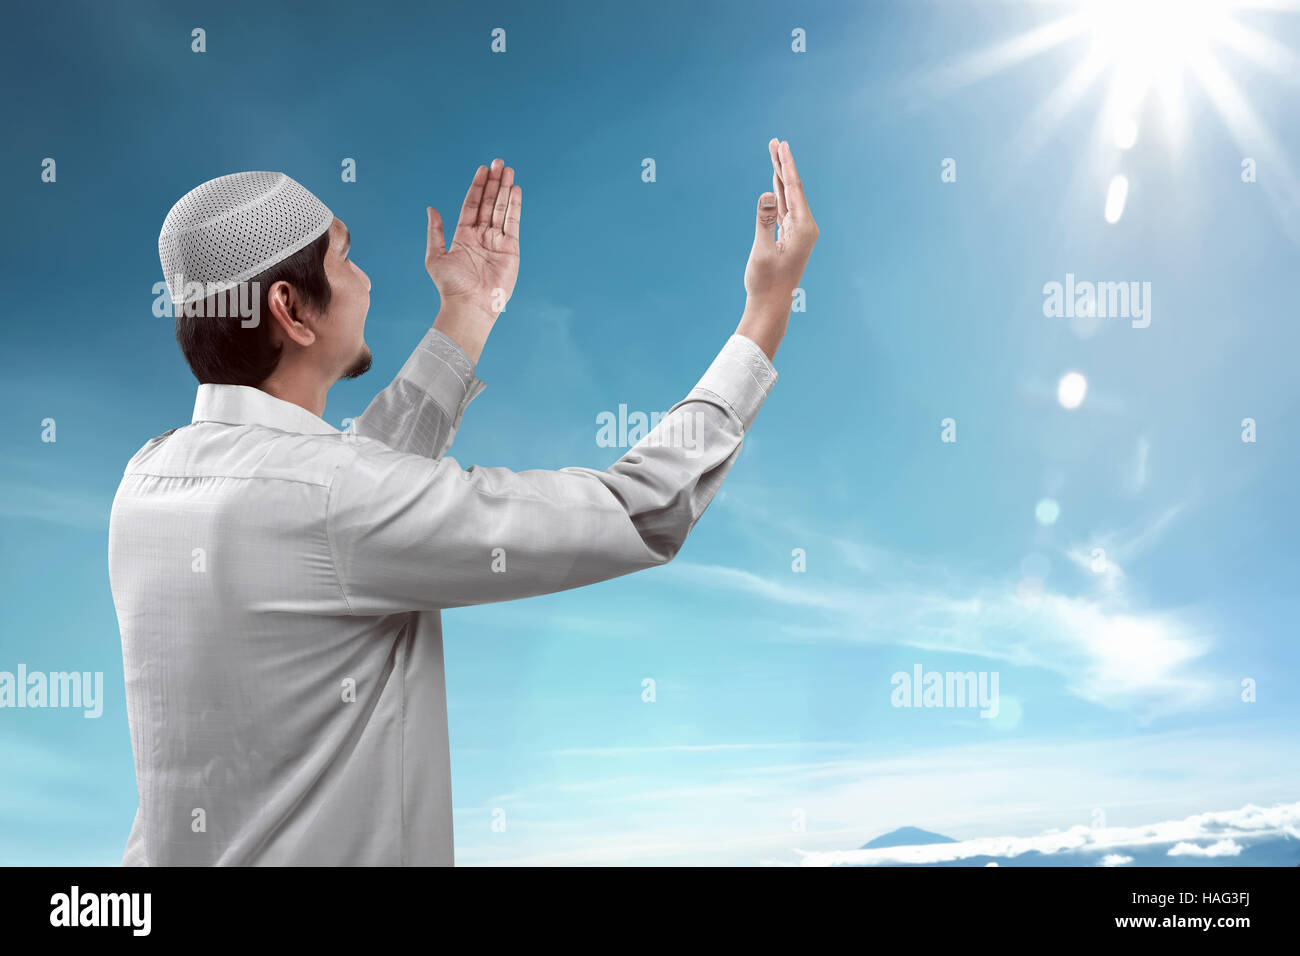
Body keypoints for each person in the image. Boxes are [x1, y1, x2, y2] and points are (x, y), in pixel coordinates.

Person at [108, 139, 818, 865]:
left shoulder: (146, 482)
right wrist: (767, 309)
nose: (366, 282)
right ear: (291, 309)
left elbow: (352, 496)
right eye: (345, 258)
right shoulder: (330, 501)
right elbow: (642, 508)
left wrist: (470, 309)